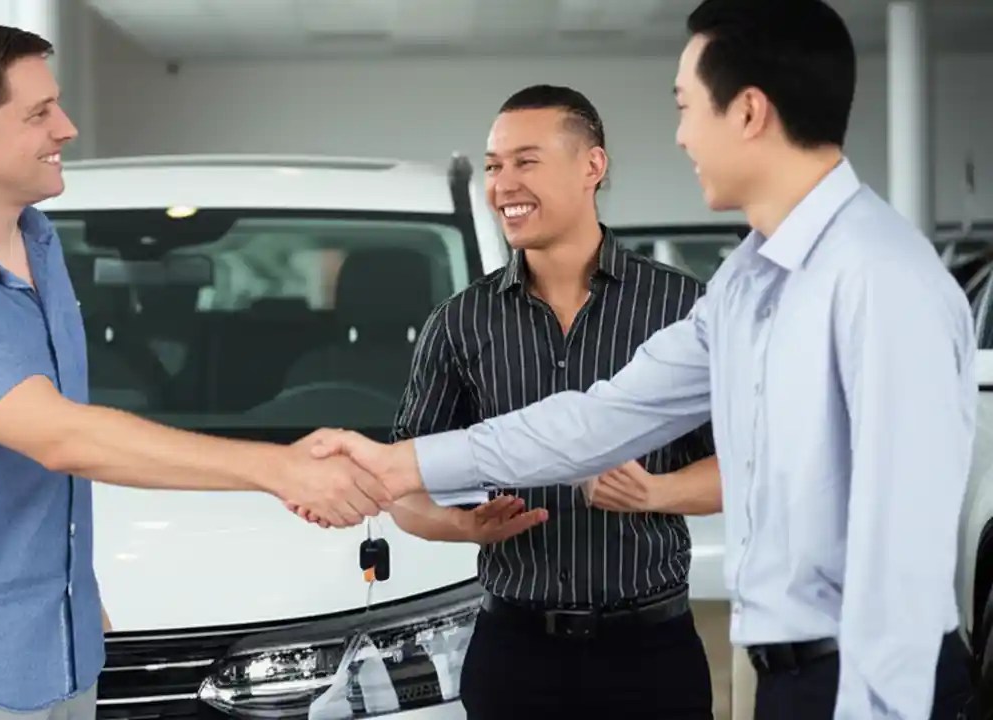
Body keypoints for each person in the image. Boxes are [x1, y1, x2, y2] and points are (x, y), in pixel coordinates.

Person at [305, 1, 977, 718]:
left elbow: (903, 553)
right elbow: (598, 421)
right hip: (791, 678)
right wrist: (399, 466)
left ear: (749, 112)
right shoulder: (746, 284)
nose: (681, 135)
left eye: (687, 107)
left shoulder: (880, 277)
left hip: (868, 682)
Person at [0, 21, 390, 720]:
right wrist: (280, 468)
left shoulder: (40, 244)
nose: (67, 128)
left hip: (63, 652)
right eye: (40, 113)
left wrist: (71, 589)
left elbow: (34, 473)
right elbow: (62, 437)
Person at [305, 84, 724, 718]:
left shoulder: (683, 309)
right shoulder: (460, 324)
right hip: (514, 653)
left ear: (592, 166)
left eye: (526, 161)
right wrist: (463, 526)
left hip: (652, 651)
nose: (503, 185)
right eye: (495, 166)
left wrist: (657, 493)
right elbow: (406, 493)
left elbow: (747, 469)